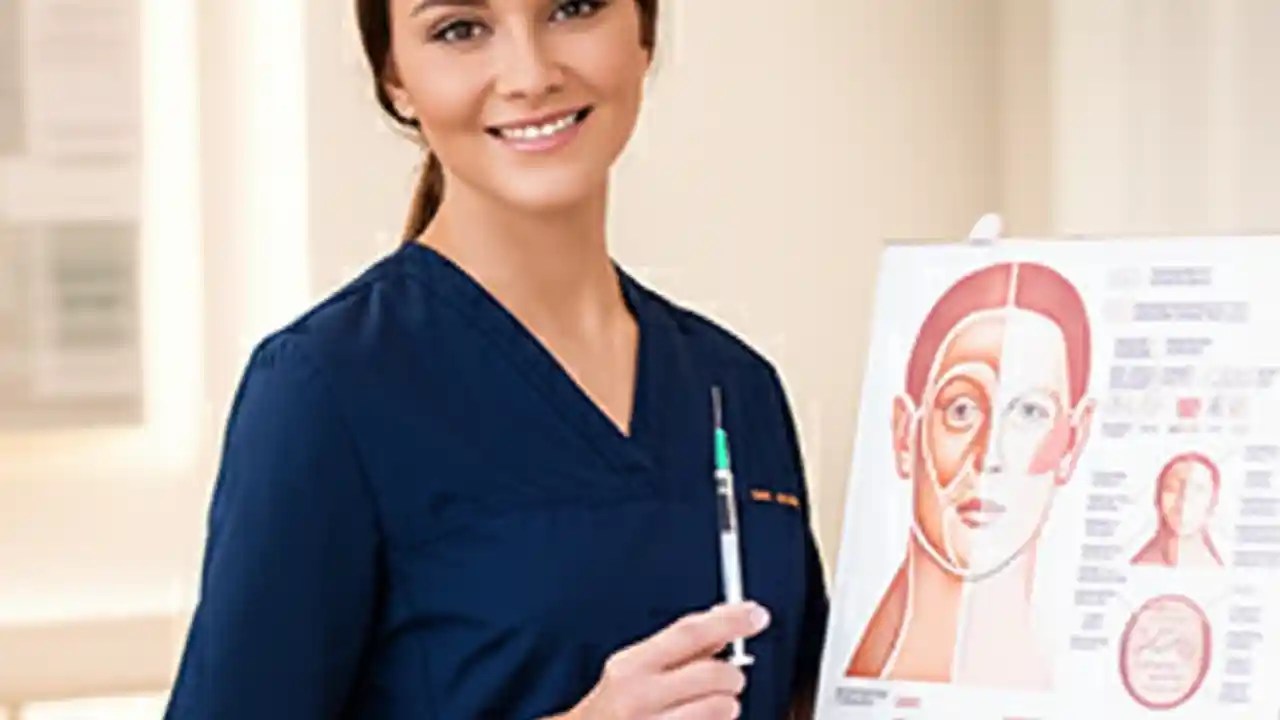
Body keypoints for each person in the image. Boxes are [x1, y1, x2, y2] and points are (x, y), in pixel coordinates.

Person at [163, 0, 828, 718]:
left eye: (572, 8)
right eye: (460, 29)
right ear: (397, 79)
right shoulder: (327, 390)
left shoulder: (733, 385)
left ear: (642, 33)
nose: (531, 74)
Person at [844, 262, 1095, 690]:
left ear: (1073, 441)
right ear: (906, 433)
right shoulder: (831, 683)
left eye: (1030, 412)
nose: (988, 457)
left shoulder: (1091, 687)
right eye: (962, 409)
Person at [1130, 453, 1224, 567]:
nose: (1184, 498)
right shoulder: (1142, 565)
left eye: (1198, 489)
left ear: (1213, 502)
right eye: (1172, 489)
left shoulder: (1214, 567)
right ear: (1158, 498)